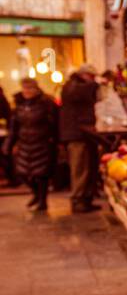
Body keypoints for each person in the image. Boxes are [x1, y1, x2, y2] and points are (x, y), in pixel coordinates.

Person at [4, 77, 59, 212]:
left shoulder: (46, 103)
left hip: (42, 142)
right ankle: (36, 194)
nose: (27, 91)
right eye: (25, 88)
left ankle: (42, 200)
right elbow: (14, 127)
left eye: (30, 88)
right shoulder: (19, 105)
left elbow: (54, 123)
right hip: (25, 143)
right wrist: (8, 144)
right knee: (22, 173)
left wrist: (55, 140)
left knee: (41, 174)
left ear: (36, 89)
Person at [60, 63, 100, 212]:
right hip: (76, 135)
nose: (92, 80)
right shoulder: (72, 86)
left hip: (85, 134)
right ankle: (78, 200)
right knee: (80, 169)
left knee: (87, 167)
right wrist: (97, 84)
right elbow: (79, 93)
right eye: (91, 76)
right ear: (84, 74)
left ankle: (86, 199)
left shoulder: (78, 86)